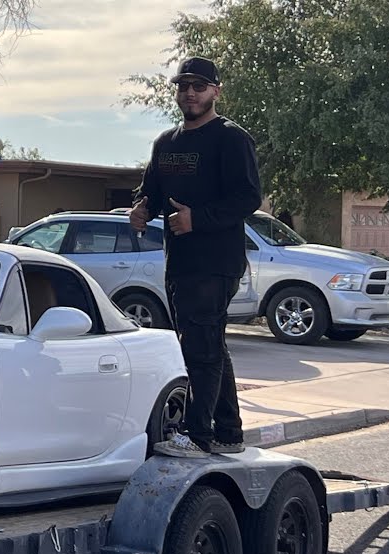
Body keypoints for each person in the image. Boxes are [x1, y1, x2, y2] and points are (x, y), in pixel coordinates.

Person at [130, 56, 262, 458]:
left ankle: (197, 435)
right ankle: (228, 432)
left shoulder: (231, 138)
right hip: (180, 260)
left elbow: (248, 196)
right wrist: (140, 208)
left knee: (201, 346)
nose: (190, 92)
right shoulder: (166, 143)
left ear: (216, 92)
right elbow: (150, 190)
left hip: (216, 260)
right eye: (184, 85)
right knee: (207, 343)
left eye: (199, 86)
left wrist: (198, 219)